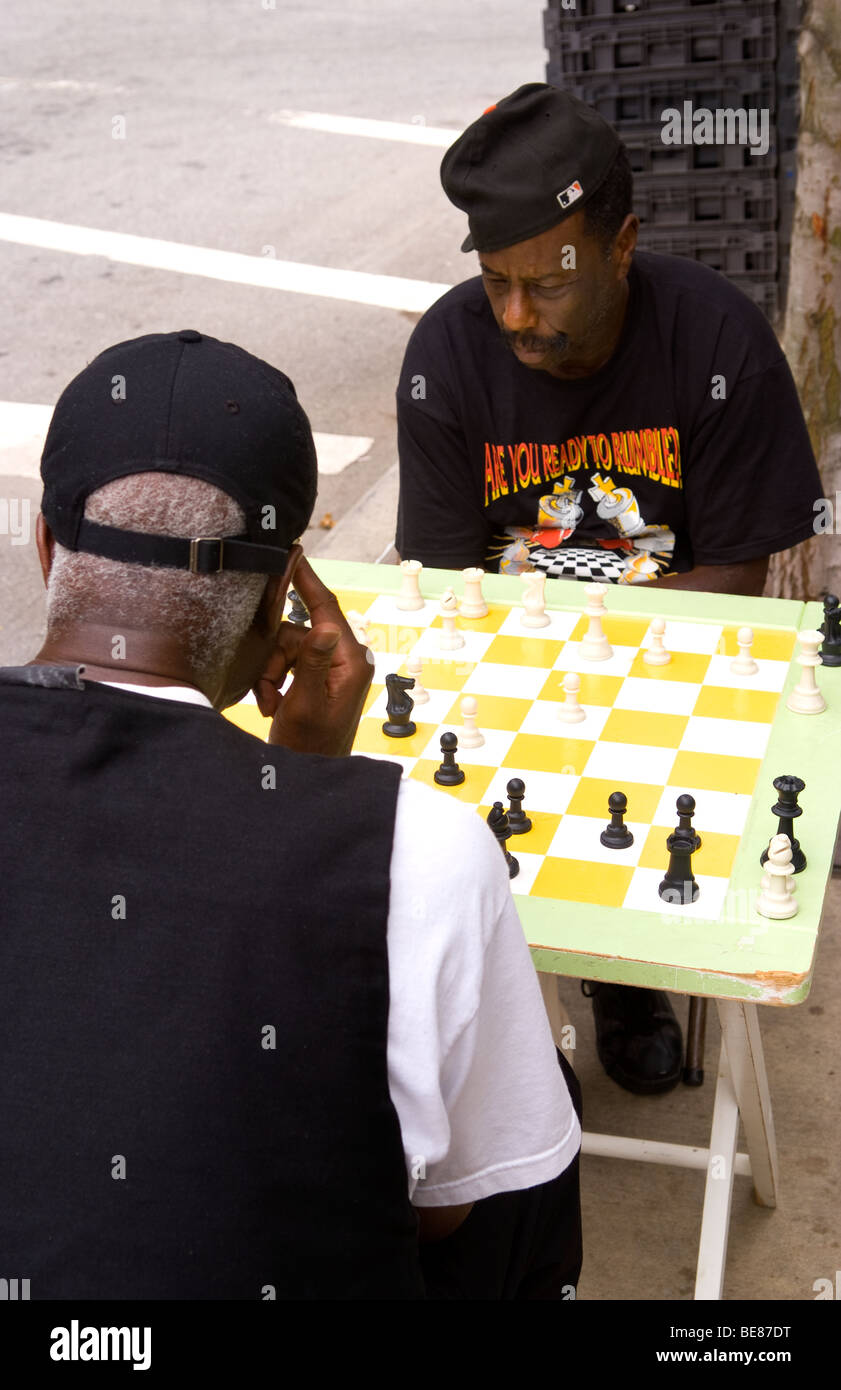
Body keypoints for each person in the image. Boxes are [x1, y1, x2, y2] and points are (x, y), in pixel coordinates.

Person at [0, 329, 581, 1300]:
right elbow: (448, 1207)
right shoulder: (414, 854)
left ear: (45, 543)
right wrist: (313, 798)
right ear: (287, 598)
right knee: (530, 1115)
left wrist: (294, 791)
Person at [395, 84, 824, 1094]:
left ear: (621, 244)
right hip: (504, 668)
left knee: (642, 810)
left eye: (547, 285)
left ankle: (622, 978)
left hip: (673, 672)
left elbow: (737, 580)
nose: (514, 316)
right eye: (496, 281)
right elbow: (451, 584)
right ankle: (504, 994)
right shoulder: (447, 356)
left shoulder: (716, 342)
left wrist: (600, 675)